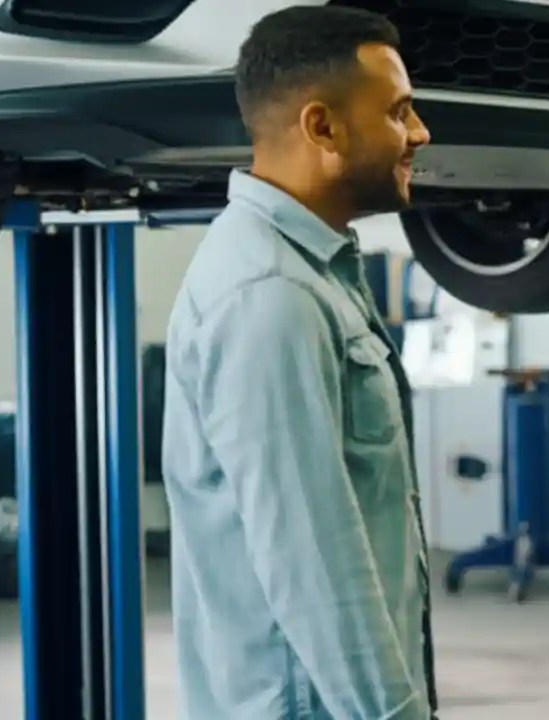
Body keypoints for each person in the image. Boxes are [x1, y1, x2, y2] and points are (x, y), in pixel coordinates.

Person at [160, 6, 436, 719]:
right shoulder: (271, 297)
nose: (420, 134)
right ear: (323, 127)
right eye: (400, 113)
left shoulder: (306, 274)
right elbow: (313, 561)